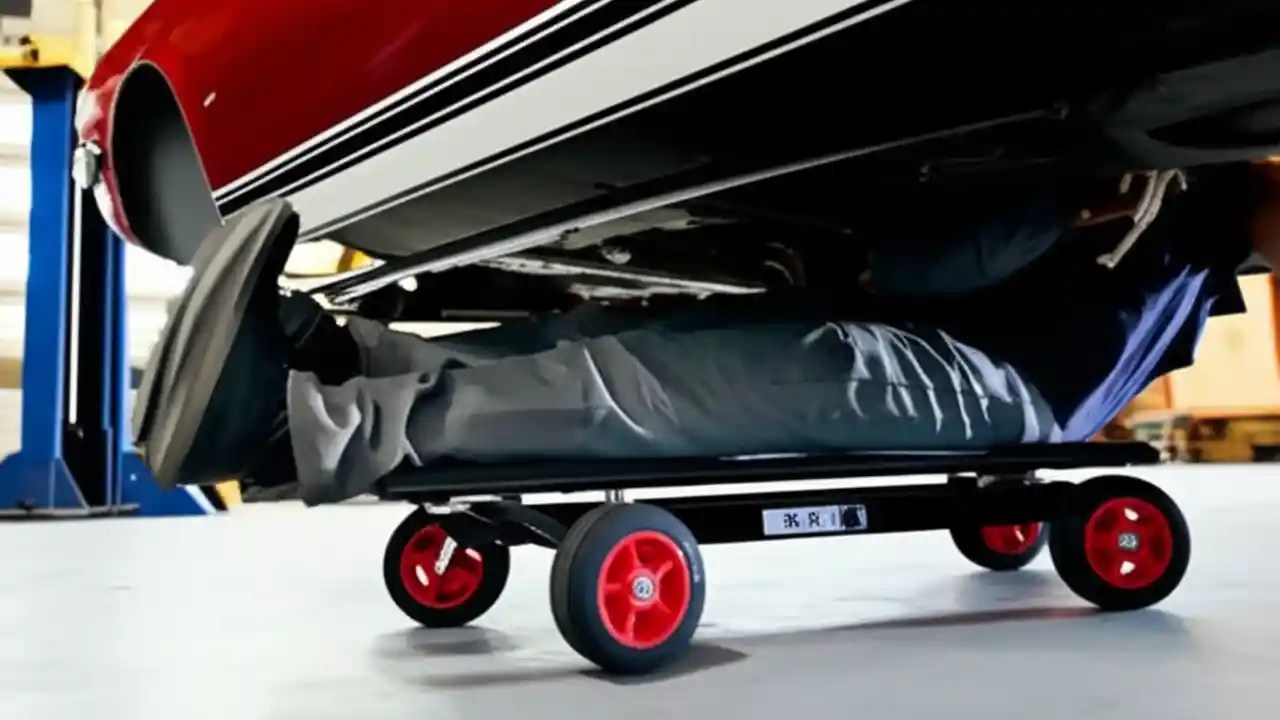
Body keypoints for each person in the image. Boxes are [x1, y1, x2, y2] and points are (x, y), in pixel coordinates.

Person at [132, 162, 1280, 505]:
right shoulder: (1176, 201)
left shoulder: (1190, 216)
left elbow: (936, 270)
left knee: (655, 385)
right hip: (923, 335)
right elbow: (922, 270)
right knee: (611, 329)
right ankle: (336, 362)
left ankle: (295, 430)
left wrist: (1059, 208)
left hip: (981, 385)